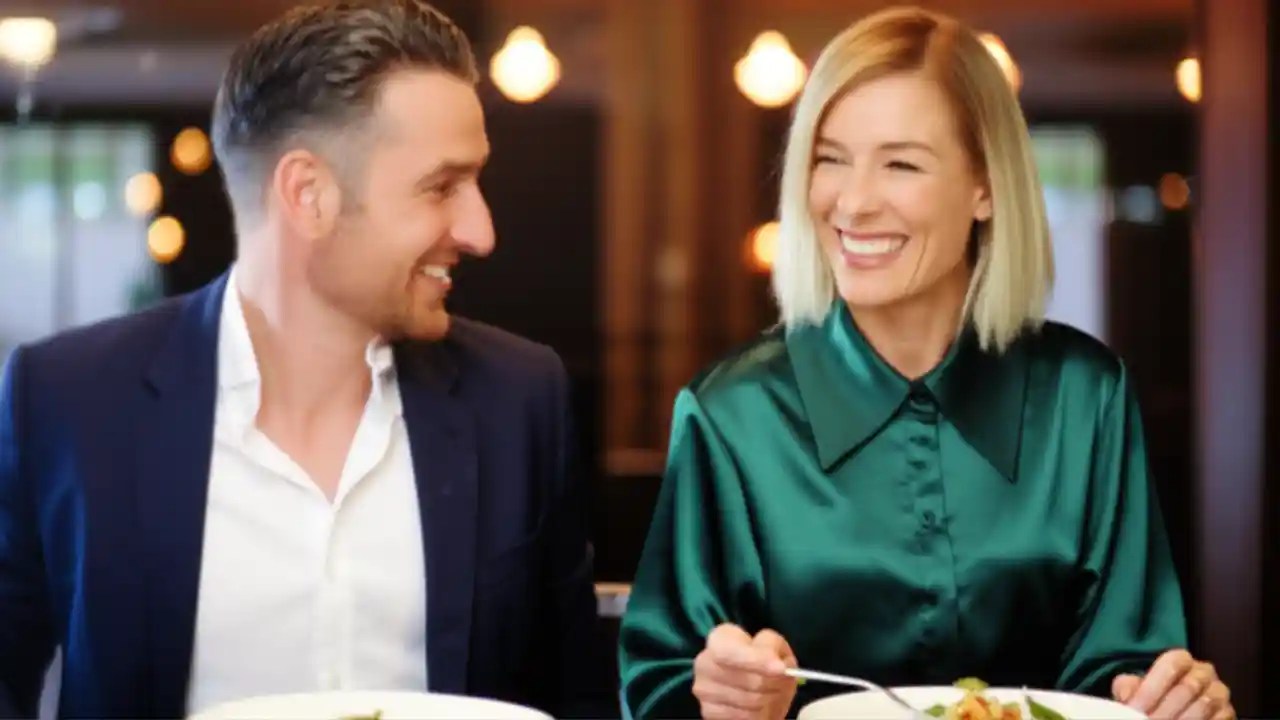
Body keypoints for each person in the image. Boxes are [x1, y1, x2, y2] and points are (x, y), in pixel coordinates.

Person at [618, 6, 1233, 720]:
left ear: (985, 186)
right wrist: (719, 696)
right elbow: (660, 684)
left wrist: (1169, 701)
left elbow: (1122, 668)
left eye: (901, 164)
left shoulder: (1085, 396)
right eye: (830, 158)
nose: (852, 201)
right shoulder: (731, 414)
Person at [0, 1, 613, 717]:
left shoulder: (519, 400)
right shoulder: (71, 398)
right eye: (442, 186)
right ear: (307, 193)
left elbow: (578, 698)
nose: (480, 230)